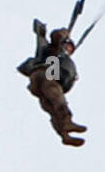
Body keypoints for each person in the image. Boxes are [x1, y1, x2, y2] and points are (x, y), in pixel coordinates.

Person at [17, 19, 87, 147]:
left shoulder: (62, 59)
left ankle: (64, 134)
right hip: (46, 74)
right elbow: (55, 37)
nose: (68, 50)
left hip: (39, 86)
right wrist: (63, 34)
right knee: (57, 97)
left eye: (71, 49)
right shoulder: (52, 51)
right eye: (67, 46)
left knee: (52, 109)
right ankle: (67, 121)